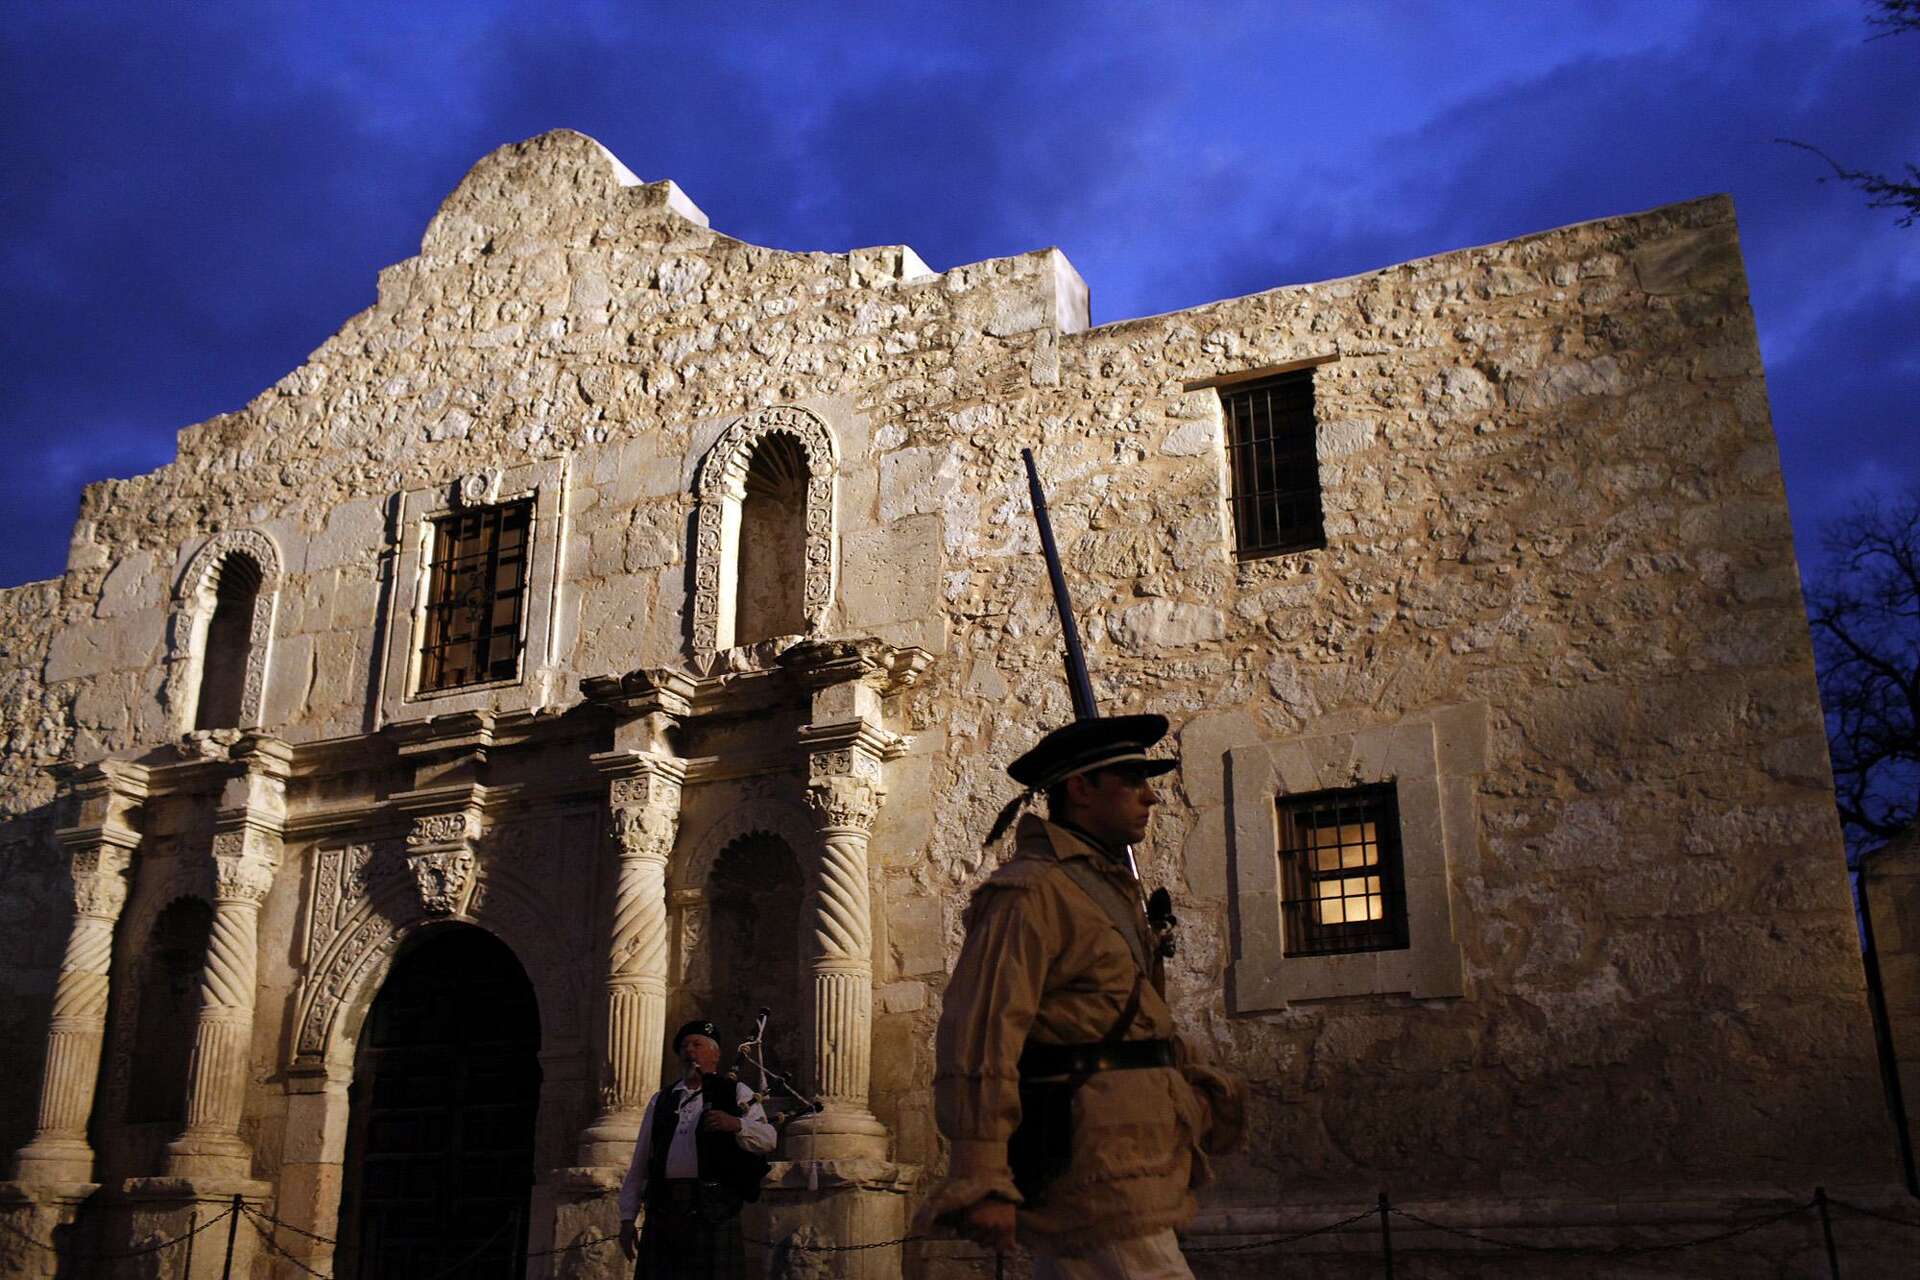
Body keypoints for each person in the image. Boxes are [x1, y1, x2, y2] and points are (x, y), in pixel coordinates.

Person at [919, 714, 1245, 1280]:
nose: (1150, 796)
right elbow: (982, 1033)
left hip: (1131, 1153)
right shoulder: (1030, 892)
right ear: (1081, 788)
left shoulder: (1101, 889)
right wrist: (982, 1174)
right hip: (1095, 1169)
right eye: (1131, 778)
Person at [618, 1019, 776, 1280]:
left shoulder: (736, 1092)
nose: (689, 1051)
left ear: (715, 1054)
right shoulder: (662, 1100)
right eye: (684, 1046)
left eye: (697, 1044)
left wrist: (735, 1124)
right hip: (664, 1210)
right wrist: (627, 1217)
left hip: (714, 1210)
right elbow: (641, 1161)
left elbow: (768, 1139)